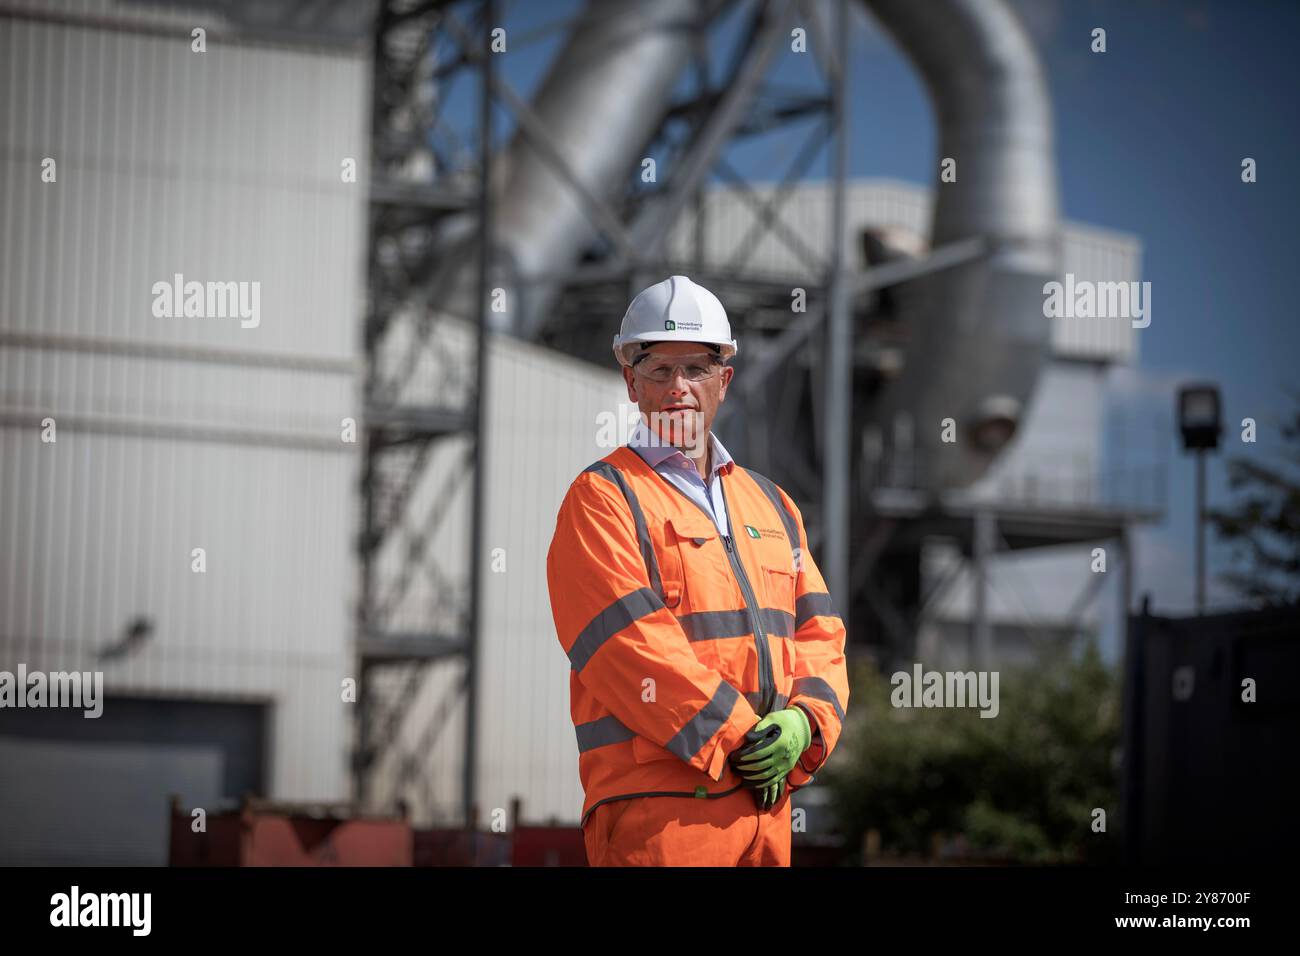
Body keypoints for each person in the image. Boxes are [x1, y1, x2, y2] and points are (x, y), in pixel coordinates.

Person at [547, 275, 849, 866]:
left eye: (697, 369)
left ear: (724, 381)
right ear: (631, 382)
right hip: (660, 809)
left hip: (766, 812)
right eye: (659, 369)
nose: (679, 387)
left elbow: (820, 634)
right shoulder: (603, 498)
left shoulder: (773, 505)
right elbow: (627, 646)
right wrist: (741, 737)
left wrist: (806, 726)